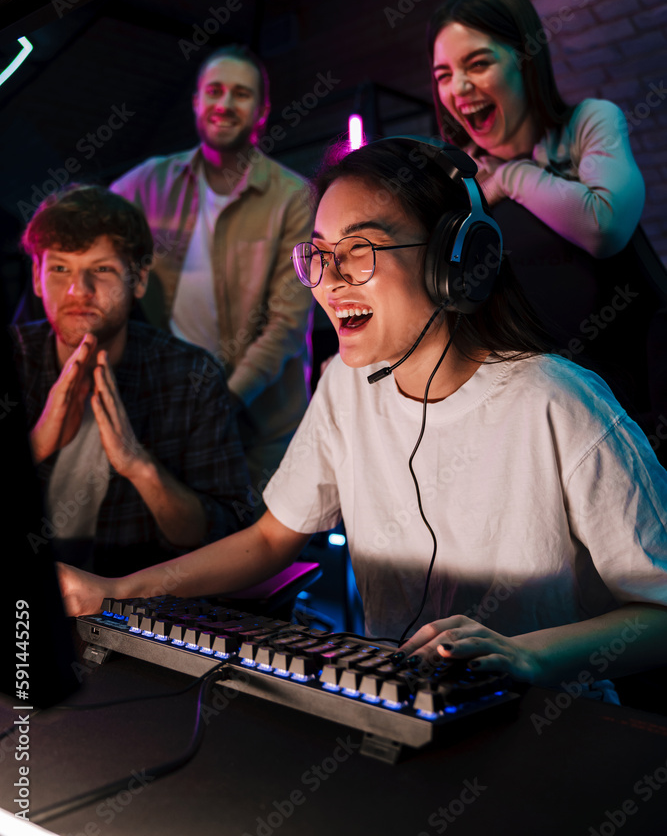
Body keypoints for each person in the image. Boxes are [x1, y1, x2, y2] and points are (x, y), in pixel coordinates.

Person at [59, 140, 667, 692]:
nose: (329, 281)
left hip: (550, 730)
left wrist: (525, 656)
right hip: (400, 712)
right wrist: (115, 593)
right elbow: (272, 538)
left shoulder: (559, 402)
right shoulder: (345, 387)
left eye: (360, 252)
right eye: (320, 256)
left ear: (452, 259)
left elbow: (659, 613)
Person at [428, 0, 667, 461]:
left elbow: (605, 225)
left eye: (477, 64)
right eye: (444, 74)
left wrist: (512, 177)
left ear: (526, 59)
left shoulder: (587, 123)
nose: (458, 88)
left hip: (639, 390)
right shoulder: (458, 181)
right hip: (541, 410)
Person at [110, 44, 313, 509]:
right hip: (173, 412)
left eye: (240, 94)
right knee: (184, 554)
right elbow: (91, 228)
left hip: (262, 424)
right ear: (197, 103)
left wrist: (220, 403)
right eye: (214, 92)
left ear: (261, 111)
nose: (224, 104)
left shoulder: (294, 197)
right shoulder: (149, 181)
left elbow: (286, 327)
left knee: (255, 562)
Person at [13, 184, 251, 576]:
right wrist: (37, 444)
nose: (79, 289)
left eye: (102, 269)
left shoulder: (190, 374)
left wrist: (138, 464)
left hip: (130, 614)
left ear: (138, 279)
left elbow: (222, 536)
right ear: (37, 279)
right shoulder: (15, 356)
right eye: (60, 269)